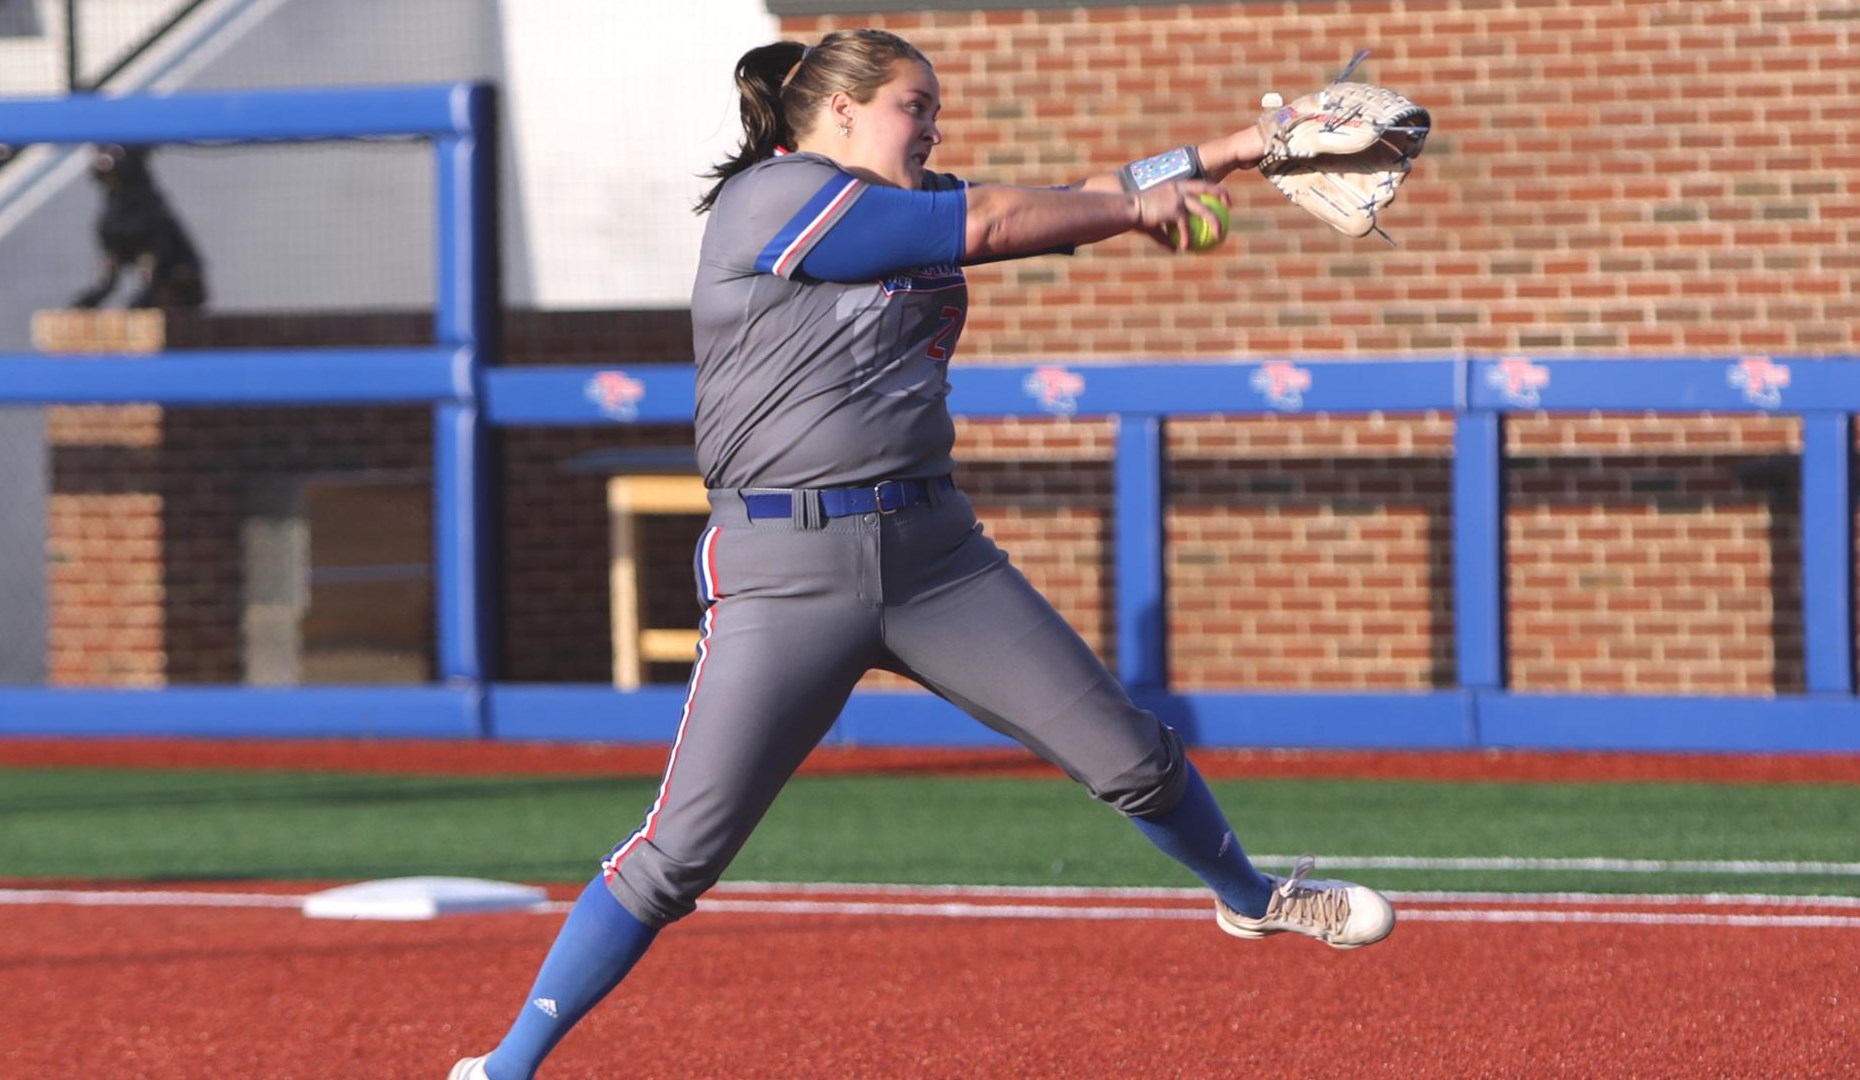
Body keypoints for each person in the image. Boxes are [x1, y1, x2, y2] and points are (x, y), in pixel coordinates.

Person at [449, 28, 1392, 1080]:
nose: (932, 122)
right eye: (913, 103)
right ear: (840, 110)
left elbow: (1075, 189)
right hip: (784, 570)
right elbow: (1001, 217)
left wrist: (1238, 148)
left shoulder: (912, 202)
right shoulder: (772, 198)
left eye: (933, 106)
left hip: (936, 557)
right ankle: (505, 1065)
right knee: (678, 857)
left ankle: (1253, 899)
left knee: (1132, 755)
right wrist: (1133, 211)